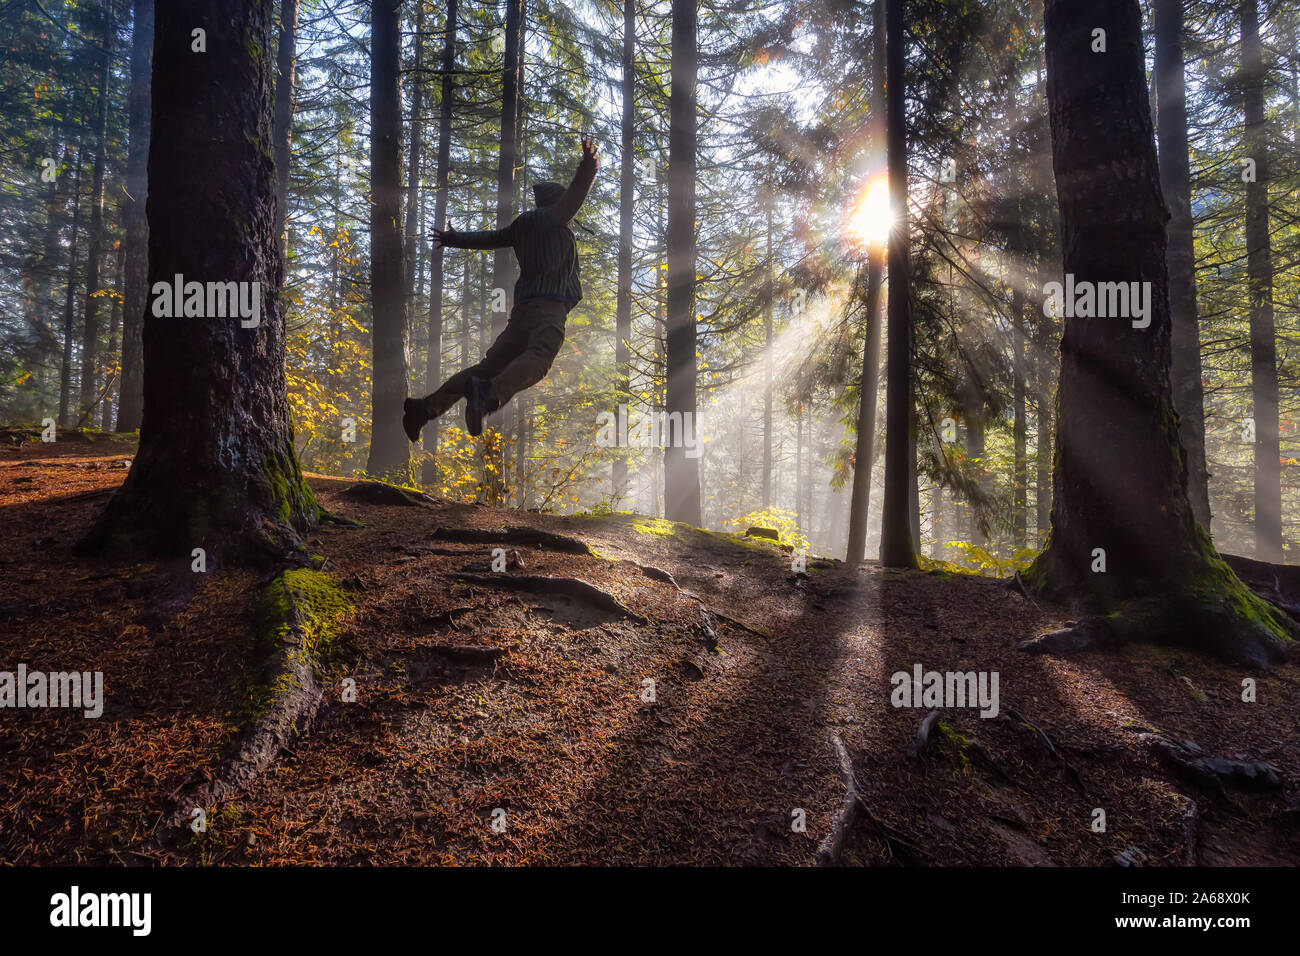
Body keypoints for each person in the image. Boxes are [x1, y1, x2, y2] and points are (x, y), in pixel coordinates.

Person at [403, 137, 600, 440]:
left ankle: (425, 408)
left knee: (488, 366)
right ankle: (487, 395)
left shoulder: (523, 225)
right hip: (548, 311)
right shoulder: (556, 217)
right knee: (539, 358)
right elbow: (577, 193)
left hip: (522, 314)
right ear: (556, 203)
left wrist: (455, 239)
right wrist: (589, 165)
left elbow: (490, 239)